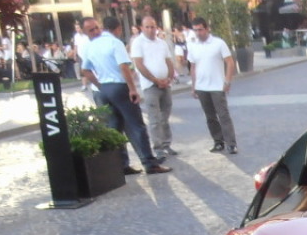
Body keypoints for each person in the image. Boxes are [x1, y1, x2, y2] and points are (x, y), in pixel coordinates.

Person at [79, 15, 169, 175]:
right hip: (118, 86)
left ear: (100, 26)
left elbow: (85, 70)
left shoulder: (89, 46)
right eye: (91, 30)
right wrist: (132, 89)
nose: (95, 31)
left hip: (103, 90)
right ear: (118, 29)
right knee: (136, 126)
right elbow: (124, 67)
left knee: (114, 128)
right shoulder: (115, 42)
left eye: (96, 27)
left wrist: (100, 84)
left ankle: (121, 165)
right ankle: (149, 163)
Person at [186, 16, 237, 155]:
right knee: (210, 117)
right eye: (195, 30)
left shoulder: (218, 43)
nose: (198, 33)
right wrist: (193, 86)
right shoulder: (192, 45)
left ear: (207, 29)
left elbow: (230, 62)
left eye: (200, 30)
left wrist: (227, 81)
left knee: (223, 115)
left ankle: (231, 143)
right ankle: (218, 141)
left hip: (217, 86)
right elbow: (193, 67)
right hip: (202, 87)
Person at [130, 15, 177, 161]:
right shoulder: (138, 43)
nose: (151, 30)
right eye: (148, 27)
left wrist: (169, 78)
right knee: (155, 118)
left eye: (153, 26)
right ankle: (158, 148)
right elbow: (139, 64)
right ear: (142, 28)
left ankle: (166, 143)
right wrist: (155, 80)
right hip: (150, 85)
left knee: (165, 116)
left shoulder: (161, 43)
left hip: (165, 84)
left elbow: (169, 61)